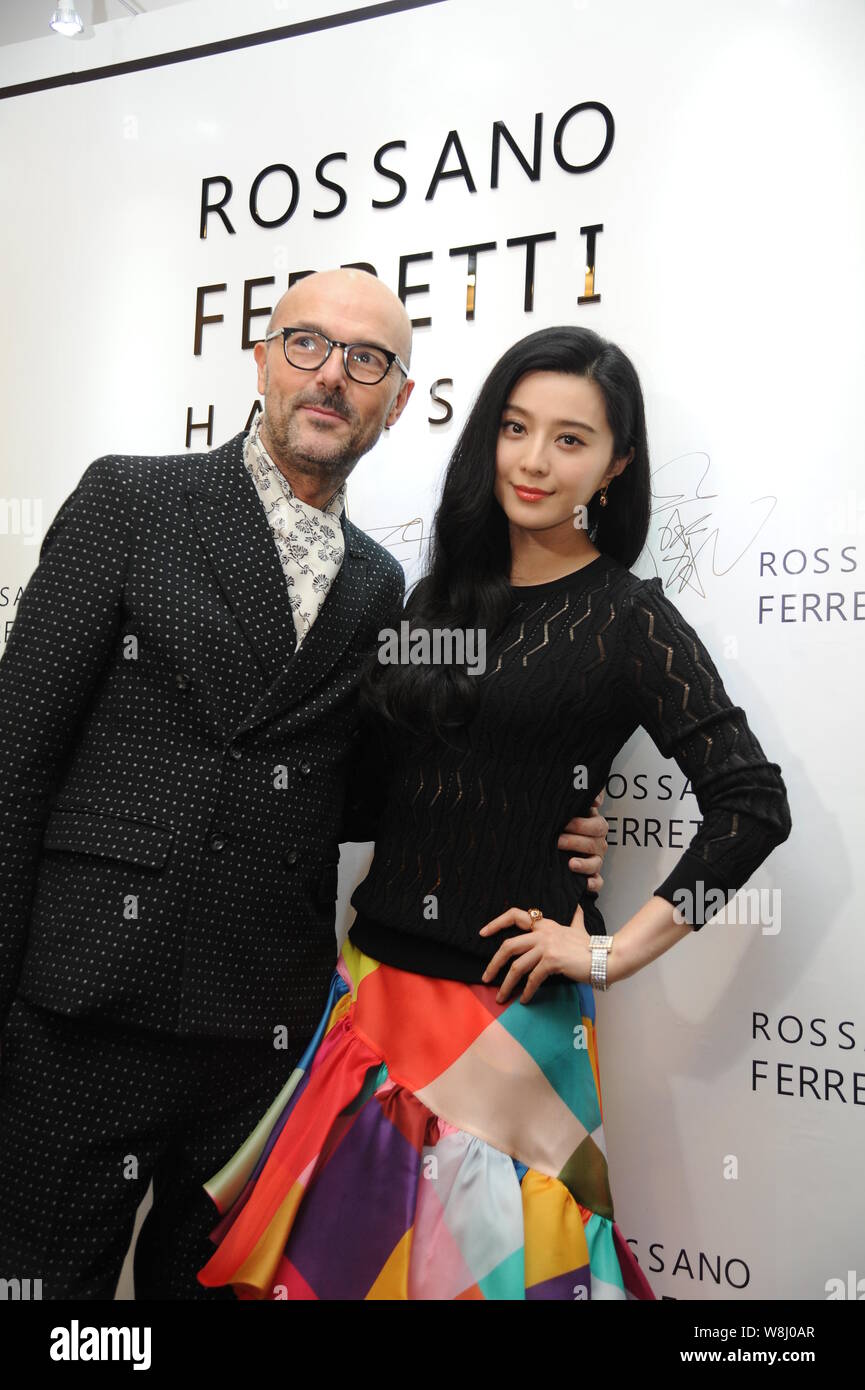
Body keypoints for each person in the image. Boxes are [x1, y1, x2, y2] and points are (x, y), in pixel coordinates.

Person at [0, 271, 610, 1301]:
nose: (332, 375)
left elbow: (366, 796)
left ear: (398, 401)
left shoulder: (378, 583)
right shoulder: (132, 500)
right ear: (262, 360)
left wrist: (540, 814)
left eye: (367, 361)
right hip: (85, 1008)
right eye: (307, 344)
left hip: (263, 1031)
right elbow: (16, 758)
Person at [196, 324, 793, 1302]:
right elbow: (383, 790)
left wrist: (608, 953)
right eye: (515, 428)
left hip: (509, 1017)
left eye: (570, 438)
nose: (533, 460)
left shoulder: (626, 619)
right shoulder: (437, 603)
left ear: (617, 465)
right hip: (372, 995)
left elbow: (751, 803)